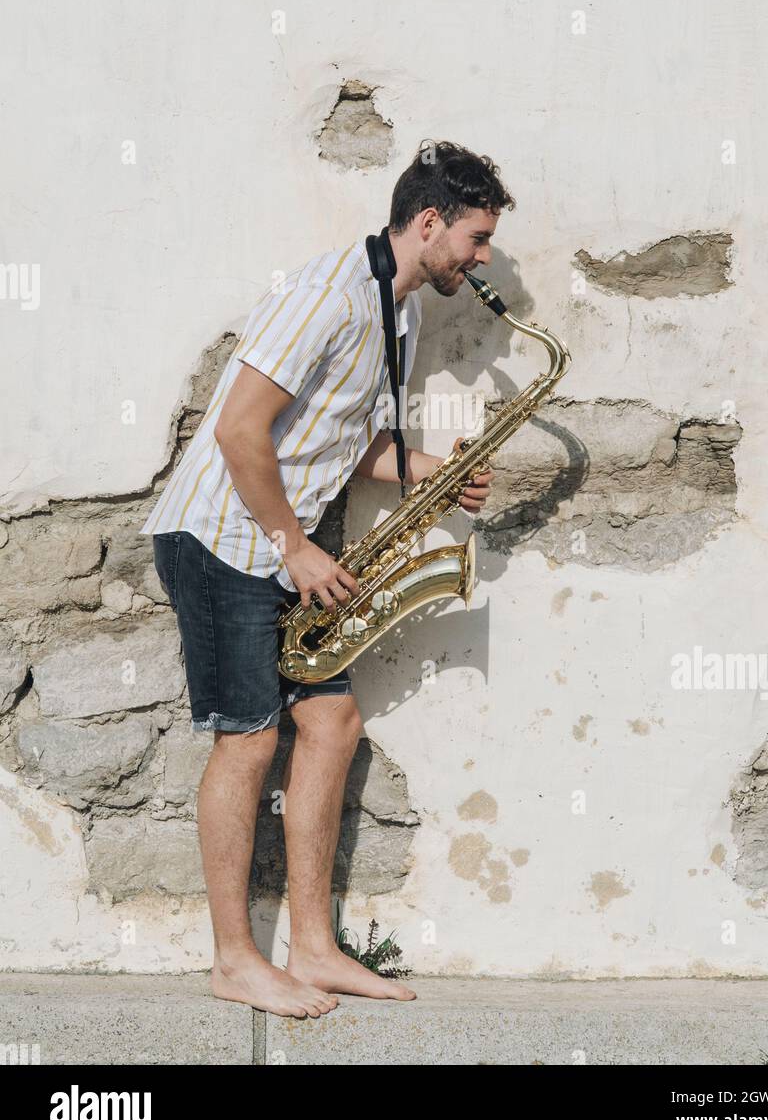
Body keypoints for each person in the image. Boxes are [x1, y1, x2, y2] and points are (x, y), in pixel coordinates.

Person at [140, 140, 514, 1017]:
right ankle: (235, 960)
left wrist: (429, 469)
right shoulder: (325, 296)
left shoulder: (399, 312)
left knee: (334, 720)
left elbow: (344, 443)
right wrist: (294, 544)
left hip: (281, 543)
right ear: (429, 222)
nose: (483, 256)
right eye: (477, 235)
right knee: (247, 739)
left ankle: (311, 949)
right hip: (225, 537)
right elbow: (240, 431)